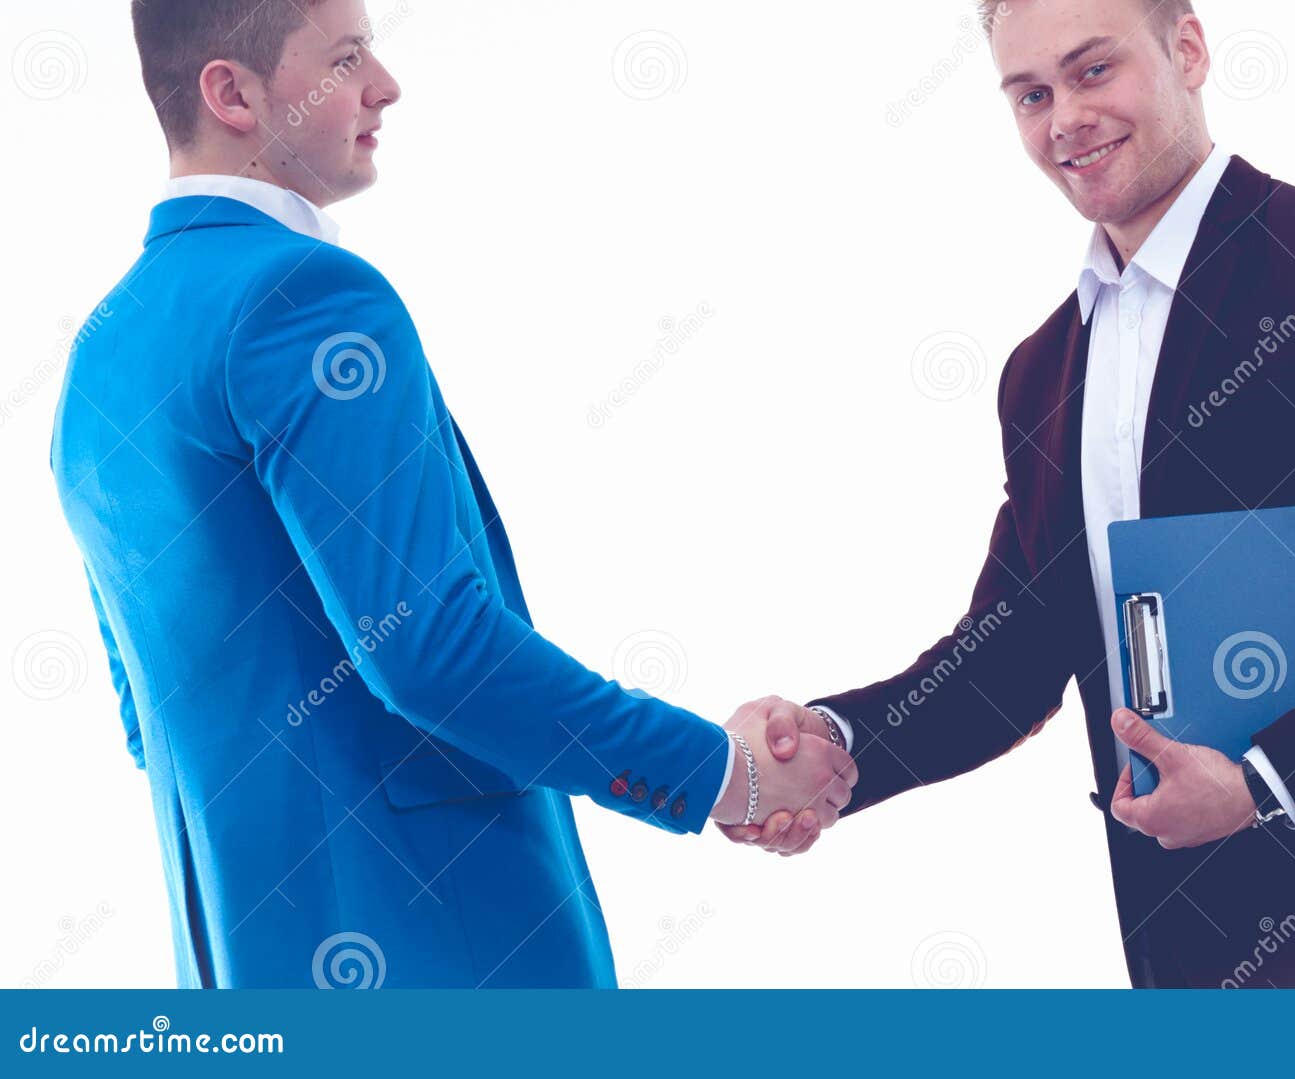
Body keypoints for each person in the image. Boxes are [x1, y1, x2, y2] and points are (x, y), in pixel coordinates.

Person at [730, 0, 1295, 989]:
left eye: (1092, 72)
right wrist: (833, 743)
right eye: (1029, 94)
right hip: (1182, 950)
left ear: (1189, 49)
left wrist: (1264, 784)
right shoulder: (1041, 373)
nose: (1063, 118)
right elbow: (1014, 651)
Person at [51, 0, 854, 988]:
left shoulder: (98, 357)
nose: (385, 86)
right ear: (231, 94)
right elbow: (429, 649)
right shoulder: (306, 297)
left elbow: (150, 721)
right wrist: (717, 773)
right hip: (445, 951)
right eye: (346, 59)